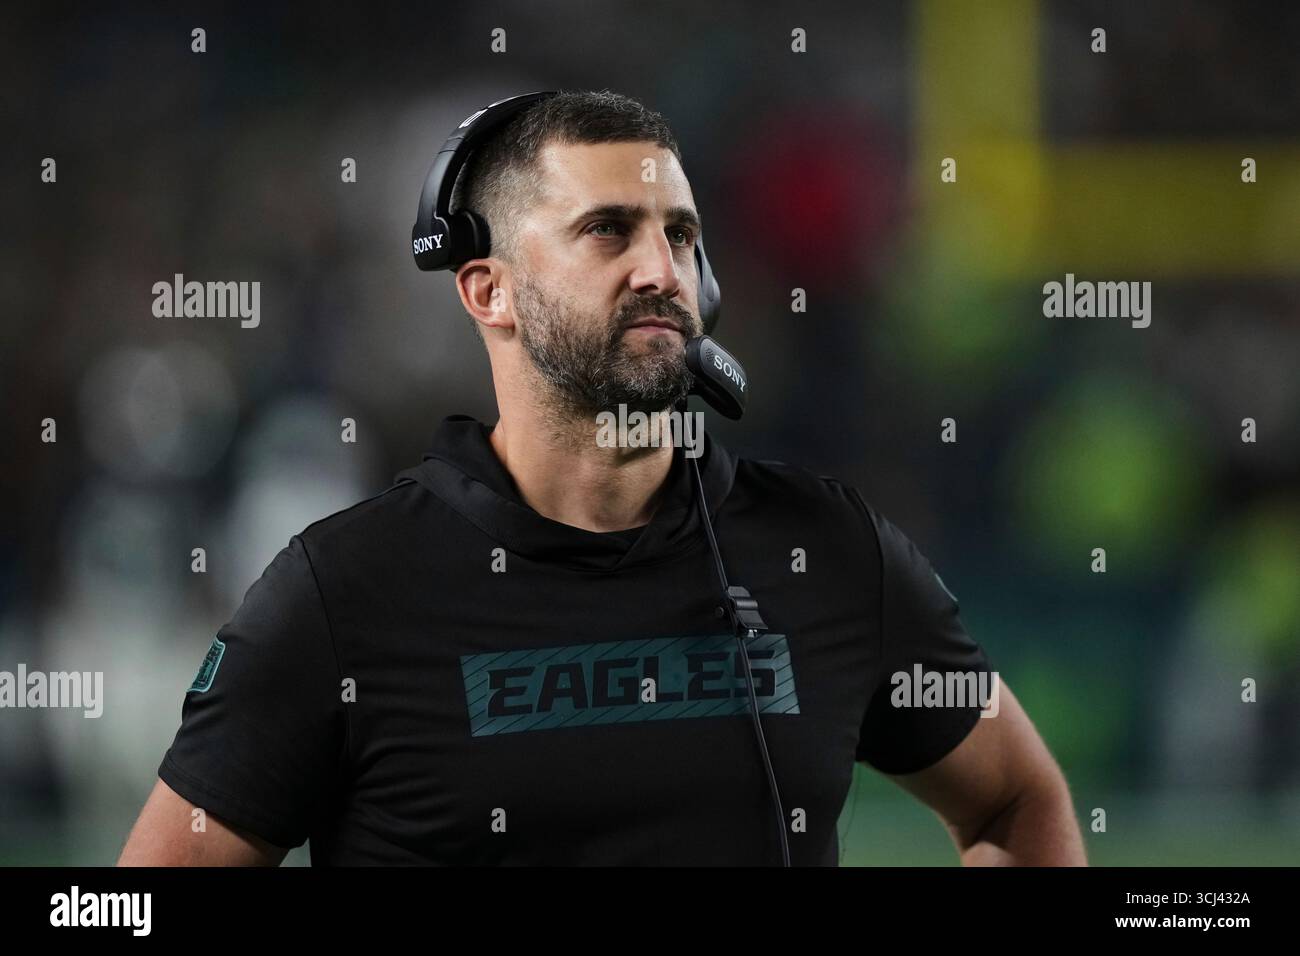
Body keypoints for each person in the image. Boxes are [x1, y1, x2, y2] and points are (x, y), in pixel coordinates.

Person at [118, 91, 1086, 866]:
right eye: (608, 231)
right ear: (486, 288)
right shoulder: (342, 593)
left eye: (680, 234)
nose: (661, 268)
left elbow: (1013, 796)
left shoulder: (827, 551)